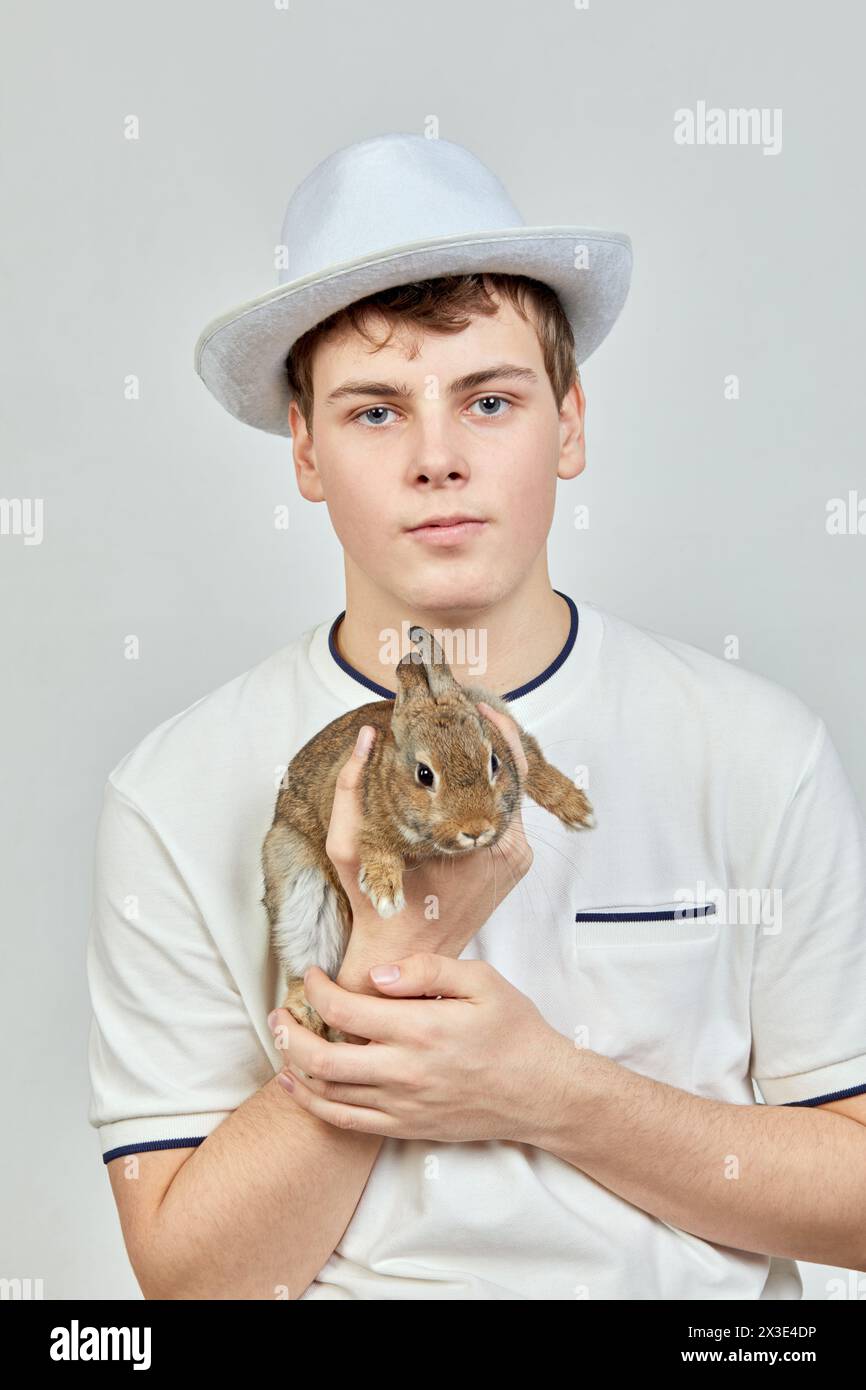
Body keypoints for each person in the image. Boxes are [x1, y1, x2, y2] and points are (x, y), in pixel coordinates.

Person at [87, 132, 866, 1300]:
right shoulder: (175, 787)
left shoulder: (754, 747)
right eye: (373, 412)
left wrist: (541, 1088)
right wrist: (398, 955)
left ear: (569, 423)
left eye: (488, 400)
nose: (437, 459)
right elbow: (195, 1288)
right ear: (302, 447)